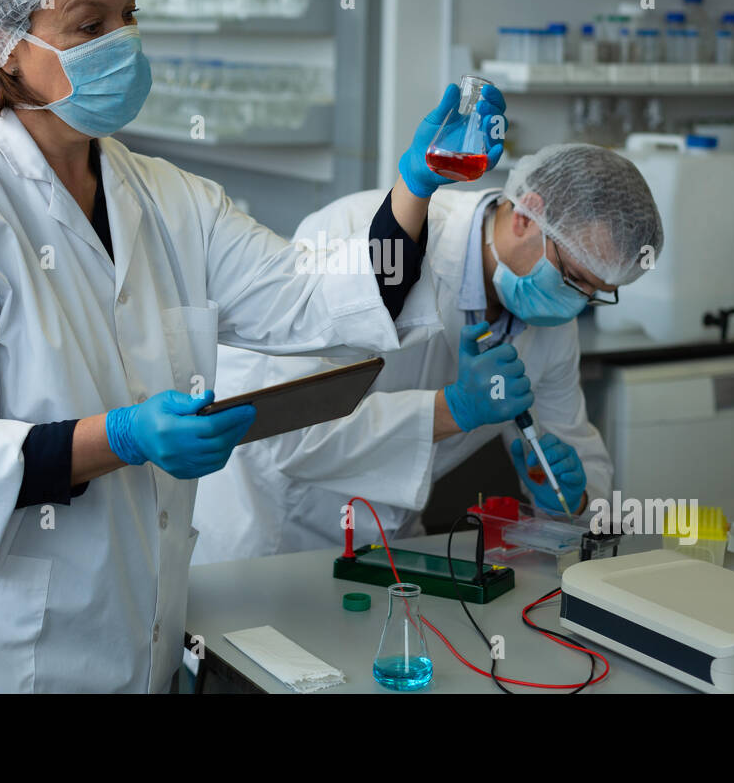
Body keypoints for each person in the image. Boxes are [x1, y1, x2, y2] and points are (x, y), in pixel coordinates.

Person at [0, 0, 505, 693]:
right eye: (89, 24)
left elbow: (314, 299)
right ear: (0, 43)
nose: (124, 42)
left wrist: (412, 188)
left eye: (129, 14)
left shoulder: (166, 198)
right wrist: (123, 437)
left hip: (125, 631)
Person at [192, 143, 662, 563]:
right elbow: (291, 431)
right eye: (575, 278)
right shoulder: (370, 236)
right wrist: (452, 410)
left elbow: (578, 452)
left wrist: (569, 500)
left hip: (388, 542)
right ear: (526, 216)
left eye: (596, 292)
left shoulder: (549, 319)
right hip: (272, 530)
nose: (577, 302)